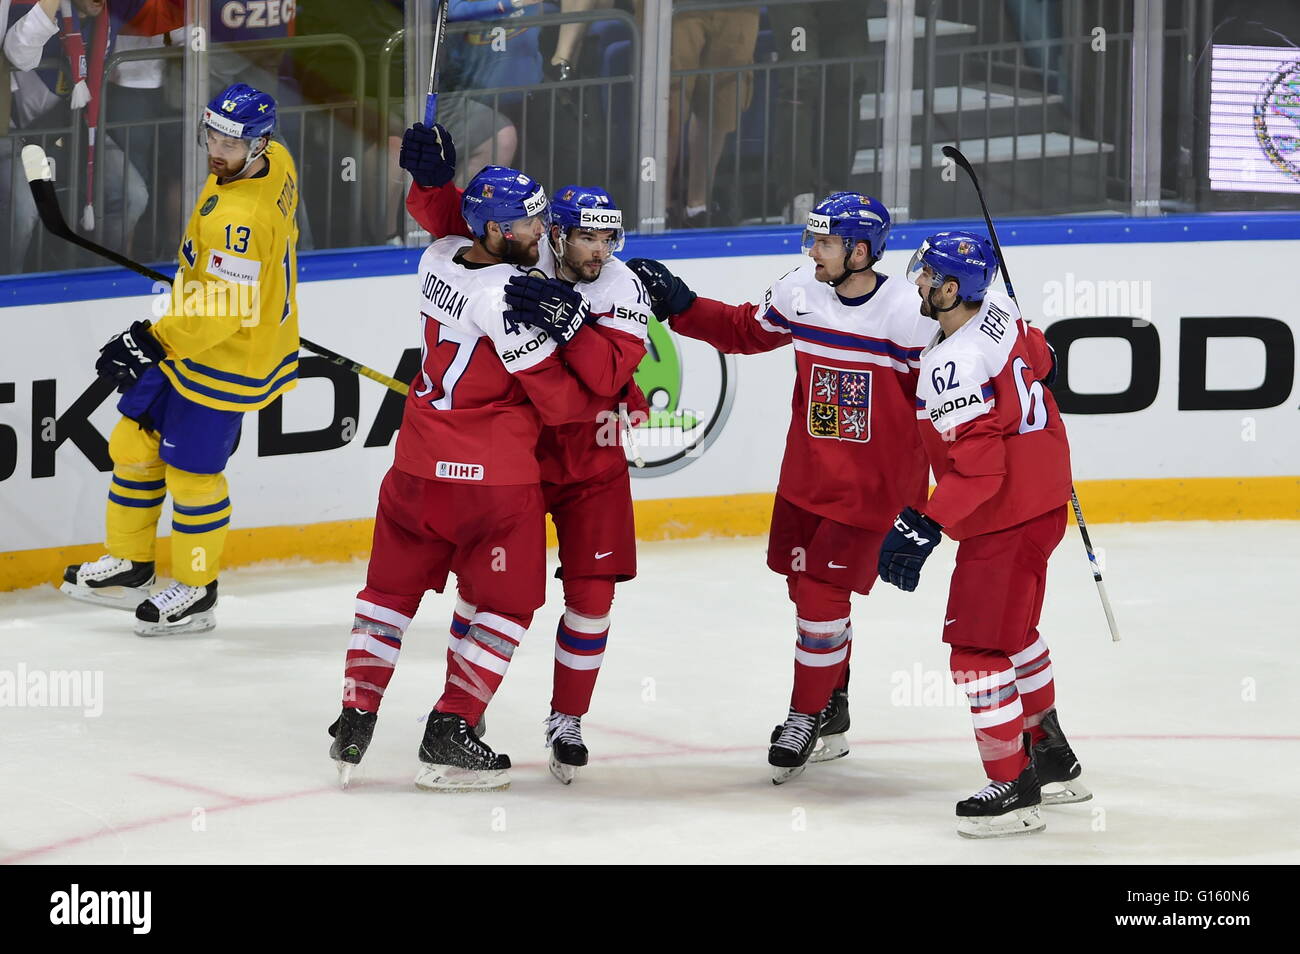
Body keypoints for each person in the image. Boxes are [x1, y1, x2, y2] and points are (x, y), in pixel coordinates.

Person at [327, 164, 615, 793]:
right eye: (528, 222)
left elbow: (454, 228)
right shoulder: (509, 301)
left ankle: (356, 712)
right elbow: (564, 408)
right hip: (493, 485)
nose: (541, 230)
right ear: (495, 229)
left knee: (386, 598)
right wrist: (573, 329)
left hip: (415, 470)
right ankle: (452, 728)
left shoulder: (438, 257)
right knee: (509, 607)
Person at [627, 193, 932, 783]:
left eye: (823, 242)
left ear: (860, 251)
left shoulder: (909, 315)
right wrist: (680, 303)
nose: (810, 251)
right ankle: (834, 704)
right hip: (805, 481)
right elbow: (744, 330)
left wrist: (926, 507)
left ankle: (806, 713)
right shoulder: (801, 291)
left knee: (821, 600)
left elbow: (943, 405)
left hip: (872, 496)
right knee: (805, 596)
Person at [398, 120, 653, 784]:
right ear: (556, 234)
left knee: (591, 595)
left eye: (608, 238)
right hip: (522, 460)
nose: (599, 251)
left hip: (594, 464)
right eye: (586, 237)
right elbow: (455, 223)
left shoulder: (623, 290)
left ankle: (566, 719)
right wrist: (431, 181)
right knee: (484, 592)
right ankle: (461, 715)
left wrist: (568, 322)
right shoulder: (522, 248)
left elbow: (605, 378)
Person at [60, 83, 300, 636]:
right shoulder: (274, 161)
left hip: (226, 356)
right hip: (192, 339)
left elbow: (226, 307)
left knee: (194, 475)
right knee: (133, 443)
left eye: (232, 142)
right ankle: (133, 566)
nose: (217, 149)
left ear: (261, 145)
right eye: (213, 134)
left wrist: (152, 339)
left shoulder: (239, 221)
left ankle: (196, 590)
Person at [877, 230, 1090, 838]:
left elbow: (980, 470)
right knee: (1016, 634)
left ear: (950, 290)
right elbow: (1044, 362)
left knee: (976, 650)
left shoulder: (952, 362)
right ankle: (1050, 756)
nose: (915, 282)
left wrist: (925, 524)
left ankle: (1013, 788)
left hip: (1006, 515)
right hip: (1043, 499)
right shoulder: (1001, 313)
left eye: (925, 276)